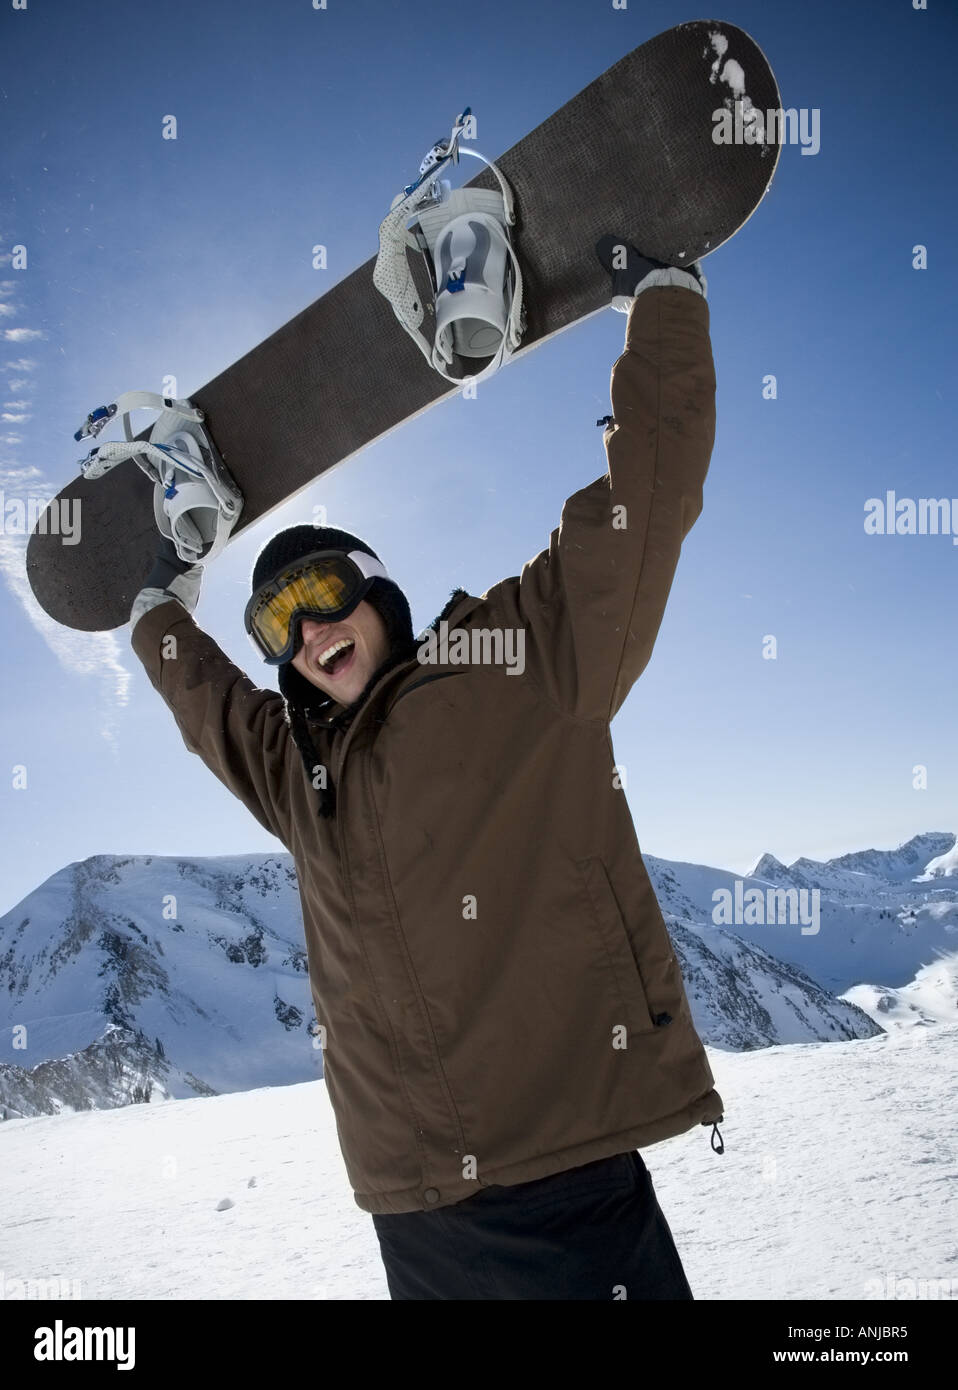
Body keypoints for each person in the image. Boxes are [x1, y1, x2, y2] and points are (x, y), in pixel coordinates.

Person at [129, 244, 724, 1300]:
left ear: (378, 593)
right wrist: (153, 611)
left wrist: (661, 309)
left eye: (319, 591)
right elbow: (209, 706)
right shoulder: (298, 774)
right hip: (409, 1212)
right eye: (276, 619)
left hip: (565, 1178)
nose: (306, 630)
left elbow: (644, 507)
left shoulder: (516, 658)